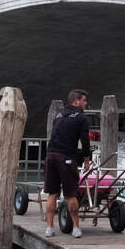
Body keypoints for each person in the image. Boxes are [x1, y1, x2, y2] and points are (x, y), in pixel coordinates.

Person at [45, 89, 91, 239]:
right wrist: (86, 161)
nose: (85, 103)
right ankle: (76, 228)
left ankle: (49, 228)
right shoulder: (81, 117)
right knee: (71, 194)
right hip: (66, 158)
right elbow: (85, 142)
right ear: (76, 101)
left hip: (50, 156)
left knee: (52, 193)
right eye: (84, 100)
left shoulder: (58, 116)